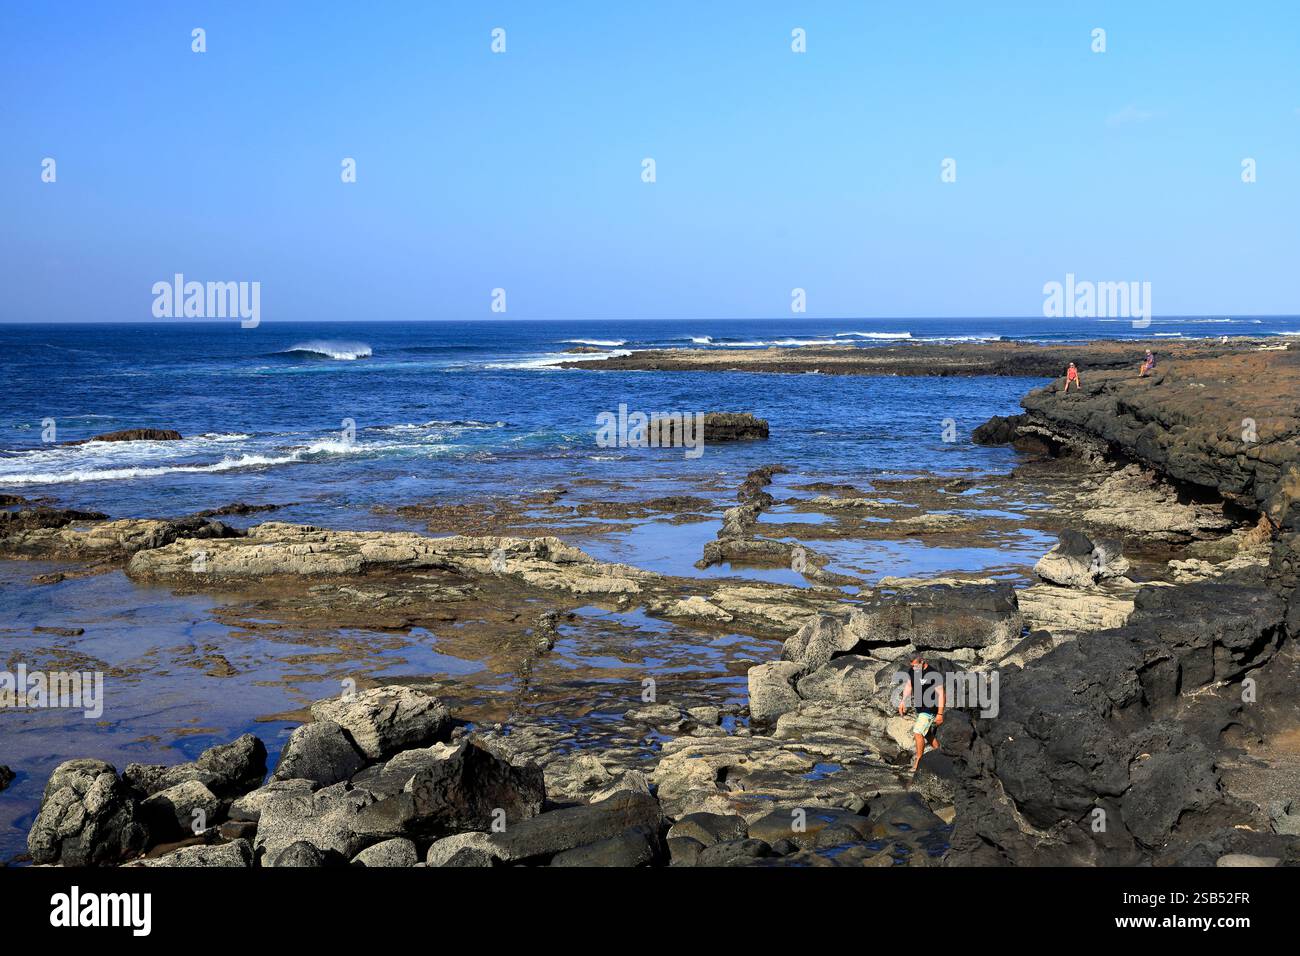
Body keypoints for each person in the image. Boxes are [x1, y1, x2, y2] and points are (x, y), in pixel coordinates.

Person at [898, 655, 945, 772]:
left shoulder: (933, 674)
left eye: (916, 665)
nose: (914, 668)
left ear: (923, 661)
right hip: (920, 708)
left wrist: (940, 714)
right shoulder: (913, 670)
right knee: (927, 734)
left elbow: (941, 694)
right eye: (912, 666)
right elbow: (909, 686)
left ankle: (918, 763)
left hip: (931, 708)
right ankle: (942, 755)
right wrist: (903, 701)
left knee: (918, 732)